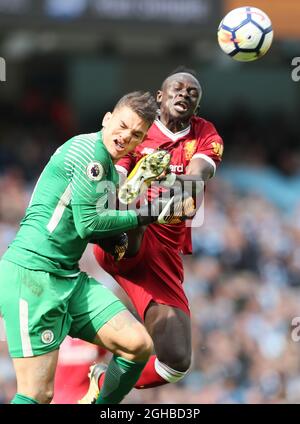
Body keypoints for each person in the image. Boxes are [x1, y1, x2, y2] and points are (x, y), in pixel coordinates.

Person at [0, 91, 180, 404]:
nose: (126, 137)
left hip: (68, 276)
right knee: (37, 394)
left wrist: (130, 229)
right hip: (33, 277)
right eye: (123, 126)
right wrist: (147, 213)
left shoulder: (109, 169)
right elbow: (91, 224)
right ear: (107, 119)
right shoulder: (89, 153)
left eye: (136, 134)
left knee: (137, 344)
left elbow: (103, 235)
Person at [81, 67, 224, 402]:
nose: (184, 94)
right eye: (177, 88)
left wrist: (167, 198)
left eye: (192, 93)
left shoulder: (205, 134)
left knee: (176, 361)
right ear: (160, 97)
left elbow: (196, 180)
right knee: (121, 202)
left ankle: (103, 384)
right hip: (125, 238)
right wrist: (140, 205)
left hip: (162, 255)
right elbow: (110, 189)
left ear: (197, 107)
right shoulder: (139, 132)